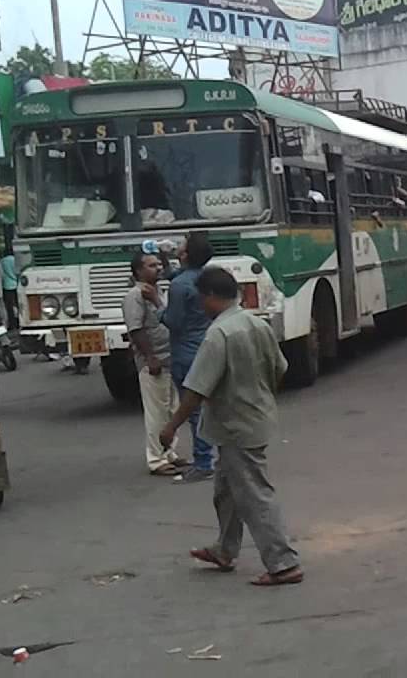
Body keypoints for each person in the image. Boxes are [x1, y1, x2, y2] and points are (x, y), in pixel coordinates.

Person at [159, 267, 303, 587]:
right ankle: (225, 549)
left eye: (201, 297)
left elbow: (196, 389)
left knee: (254, 494)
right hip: (252, 419)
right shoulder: (255, 323)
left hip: (236, 424)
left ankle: (283, 562)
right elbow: (280, 367)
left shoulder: (218, 334)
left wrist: (171, 426)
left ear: (210, 296)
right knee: (226, 489)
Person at [125, 252, 189, 477]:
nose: (158, 268)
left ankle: (169, 452)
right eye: (152, 266)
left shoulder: (158, 292)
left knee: (171, 408)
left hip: (170, 358)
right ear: (138, 272)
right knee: (156, 412)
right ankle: (156, 459)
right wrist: (150, 357)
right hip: (154, 362)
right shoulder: (135, 296)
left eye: (159, 264)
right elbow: (136, 329)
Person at [162, 233, 216, 483]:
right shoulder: (205, 278)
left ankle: (203, 462)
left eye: (181, 246)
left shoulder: (180, 286)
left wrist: (156, 305)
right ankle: (209, 457)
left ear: (185, 254)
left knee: (193, 409)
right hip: (206, 348)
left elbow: (173, 321)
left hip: (185, 351)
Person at [1, 251, 18, 330]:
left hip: (7, 285)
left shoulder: (2, 261)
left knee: (9, 307)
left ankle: (12, 324)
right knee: (19, 305)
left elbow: (1, 273)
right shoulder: (16, 259)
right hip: (16, 284)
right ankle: (19, 321)